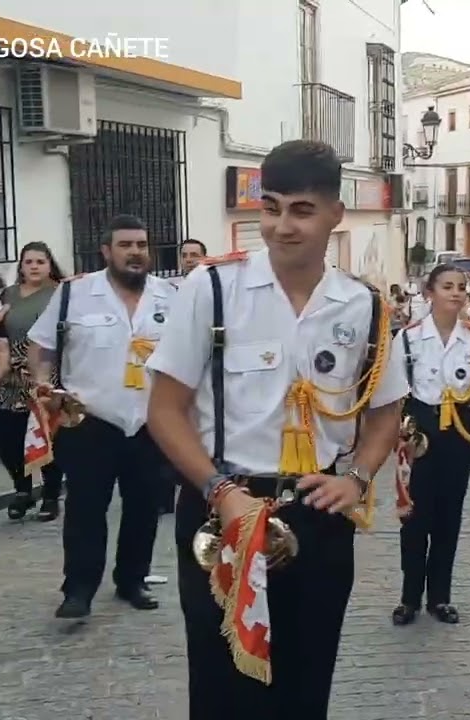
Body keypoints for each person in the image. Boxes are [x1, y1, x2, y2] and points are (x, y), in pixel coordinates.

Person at [145, 140, 408, 719]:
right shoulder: (211, 291)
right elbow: (164, 409)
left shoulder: (364, 305)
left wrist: (359, 477)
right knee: (221, 687)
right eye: (270, 208)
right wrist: (222, 491)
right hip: (223, 511)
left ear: (337, 213)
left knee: (305, 683)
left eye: (302, 210)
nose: (281, 226)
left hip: (316, 514)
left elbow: (385, 408)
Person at [28, 214, 176, 619]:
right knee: (86, 507)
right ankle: (78, 589)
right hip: (89, 419)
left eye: (142, 245)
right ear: (107, 251)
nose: (135, 252)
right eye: (126, 245)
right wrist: (43, 384)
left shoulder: (171, 296)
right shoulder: (74, 294)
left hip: (152, 422)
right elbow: (41, 346)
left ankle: (132, 580)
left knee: (144, 507)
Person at [393, 263, 470, 626]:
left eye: (461, 287)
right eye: (448, 286)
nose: (456, 293)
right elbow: (391, 396)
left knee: (448, 516)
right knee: (413, 516)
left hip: (460, 430)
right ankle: (409, 597)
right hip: (418, 430)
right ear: (429, 292)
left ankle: (440, 597)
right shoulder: (408, 338)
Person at [0, 242, 66, 520]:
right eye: (28, 261)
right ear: (20, 265)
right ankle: (22, 489)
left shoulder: (59, 293)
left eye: (40, 262)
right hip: (10, 369)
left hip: (45, 368)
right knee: (9, 434)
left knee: (45, 433)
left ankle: (50, 494)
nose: (34, 267)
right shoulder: (7, 294)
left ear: (49, 265)